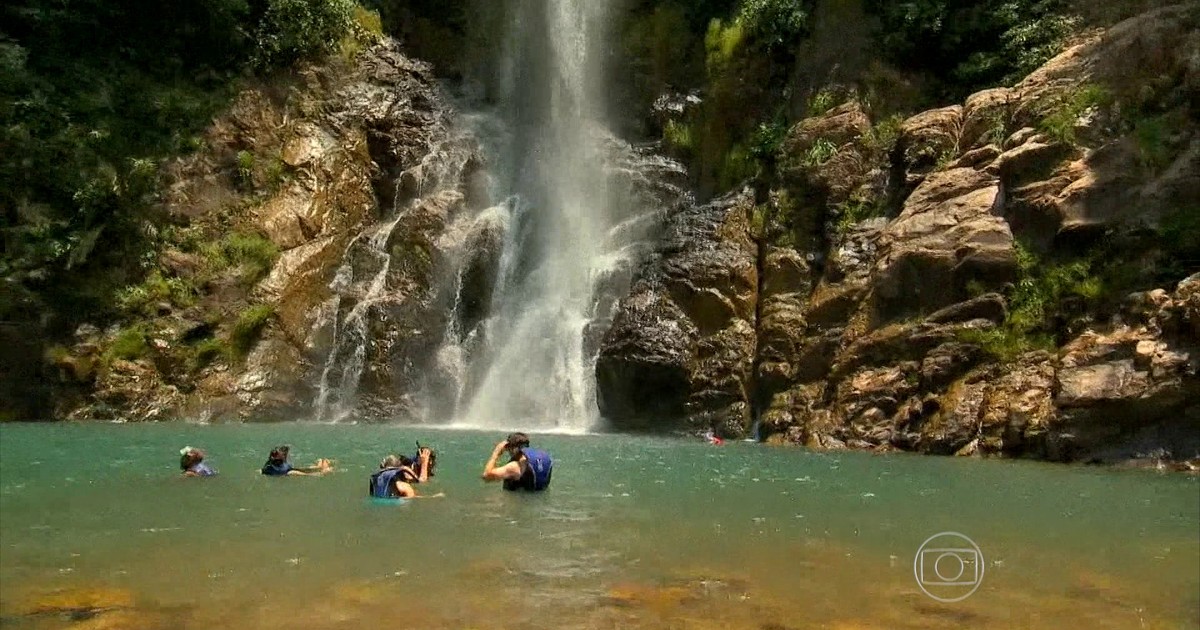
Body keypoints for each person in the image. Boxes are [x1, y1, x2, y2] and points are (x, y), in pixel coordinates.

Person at [481, 432, 552, 492]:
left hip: (521, 504)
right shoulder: (544, 456)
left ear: (513, 448)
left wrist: (496, 452)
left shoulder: (515, 467)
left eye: (508, 447)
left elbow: (486, 476)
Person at [369, 450, 442, 499]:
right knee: (408, 489)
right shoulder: (401, 471)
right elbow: (422, 481)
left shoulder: (377, 477)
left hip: (377, 503)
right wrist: (424, 463)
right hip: (394, 505)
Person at [260, 445, 333, 476]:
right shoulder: (270, 465)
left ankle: (320, 464)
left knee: (309, 468)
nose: (284, 455)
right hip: (288, 473)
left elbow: (285, 450)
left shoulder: (281, 460)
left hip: (289, 470)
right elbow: (263, 470)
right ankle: (322, 471)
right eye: (281, 454)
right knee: (293, 472)